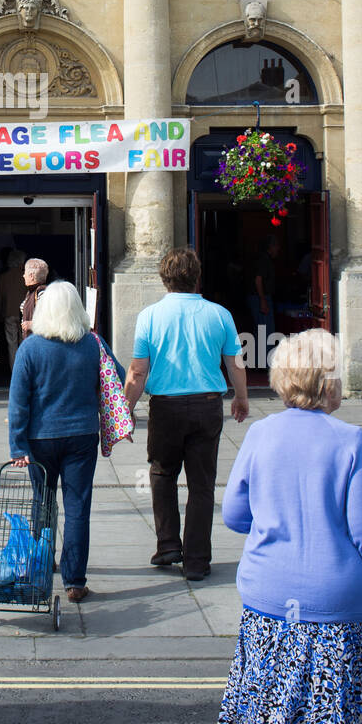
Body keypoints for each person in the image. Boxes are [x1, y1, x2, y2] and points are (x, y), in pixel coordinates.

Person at [215, 328, 362, 724]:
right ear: (327, 383)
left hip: (268, 604)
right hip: (338, 614)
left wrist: (278, 521)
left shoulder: (259, 433)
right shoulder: (351, 441)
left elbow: (236, 516)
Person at [124, 247, 249, 581]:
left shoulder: (149, 316)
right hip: (207, 404)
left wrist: (126, 409)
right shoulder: (220, 314)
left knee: (162, 473)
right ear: (197, 276)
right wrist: (241, 397)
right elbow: (234, 362)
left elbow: (137, 372)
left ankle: (167, 544)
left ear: (164, 279)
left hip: (166, 406)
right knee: (202, 484)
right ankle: (196, 560)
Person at [9, 280, 126, 602]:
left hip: (40, 438)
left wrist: (17, 446)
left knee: (42, 504)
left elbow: (18, 403)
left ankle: (40, 568)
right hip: (81, 436)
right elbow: (116, 376)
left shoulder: (30, 348)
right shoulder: (92, 344)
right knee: (77, 508)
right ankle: (75, 581)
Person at [247, 233, 280, 370]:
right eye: (277, 246)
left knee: (262, 330)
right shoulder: (263, 260)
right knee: (265, 331)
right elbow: (258, 279)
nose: (278, 249)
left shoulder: (264, 259)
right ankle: (264, 364)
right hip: (260, 298)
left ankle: (258, 363)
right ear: (271, 247)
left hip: (261, 297)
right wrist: (263, 300)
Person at [0, 249, 26, 372]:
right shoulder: (26, 277)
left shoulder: (2, 278)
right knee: (24, 343)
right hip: (25, 314)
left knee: (11, 344)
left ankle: (14, 372)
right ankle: (24, 371)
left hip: (8, 313)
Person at [20, 257, 48, 341]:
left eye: (25, 272)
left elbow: (52, 318)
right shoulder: (31, 292)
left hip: (38, 342)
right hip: (32, 341)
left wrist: (33, 324)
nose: (23, 275)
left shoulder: (42, 292)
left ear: (31, 276)